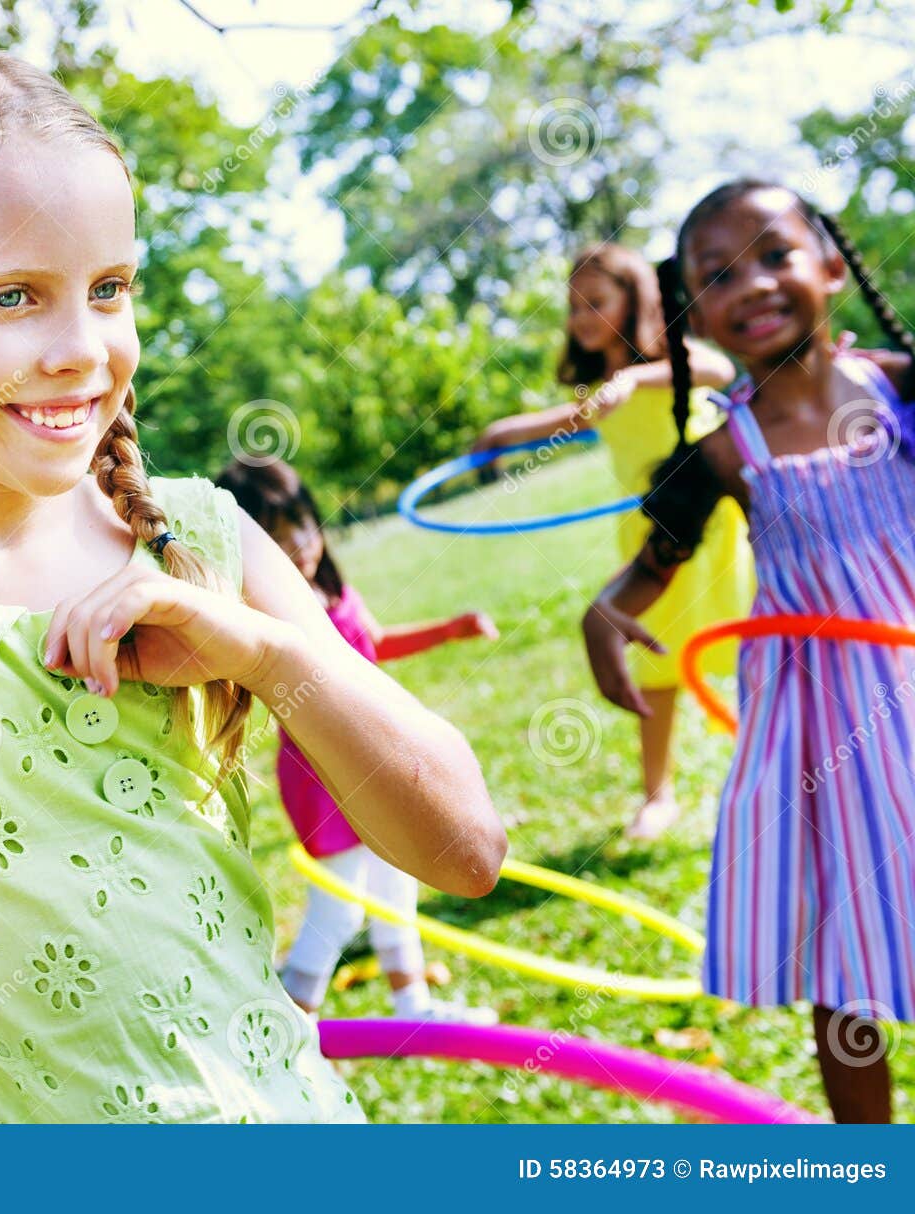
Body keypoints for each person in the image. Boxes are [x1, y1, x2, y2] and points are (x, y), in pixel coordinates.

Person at [0, 49, 506, 1125]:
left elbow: (466, 848)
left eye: (109, 289)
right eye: (13, 296)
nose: (82, 348)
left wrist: (267, 652)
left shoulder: (197, 534)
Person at [581, 180, 915, 1122]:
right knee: (844, 961)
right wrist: (604, 617)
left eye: (775, 255)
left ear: (833, 267)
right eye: (717, 276)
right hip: (820, 738)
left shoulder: (900, 388)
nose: (753, 285)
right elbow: (647, 571)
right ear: (692, 313)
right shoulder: (727, 452)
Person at [475, 244, 754, 840]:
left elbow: (721, 370)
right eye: (574, 307)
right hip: (649, 531)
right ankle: (658, 794)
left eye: (596, 302)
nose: (581, 318)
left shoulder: (665, 363)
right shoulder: (604, 386)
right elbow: (562, 421)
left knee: (752, 640)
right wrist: (505, 433)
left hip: (712, 519)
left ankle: (777, 761)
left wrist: (634, 378)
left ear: (636, 300)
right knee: (657, 659)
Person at [217, 457, 498, 1022]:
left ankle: (411, 1003)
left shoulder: (332, 592)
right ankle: (288, 1026)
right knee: (340, 910)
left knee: (398, 882)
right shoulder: (262, 612)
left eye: (301, 523)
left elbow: (373, 643)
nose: (296, 543)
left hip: (377, 755)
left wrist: (448, 630)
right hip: (322, 773)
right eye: (273, 534)